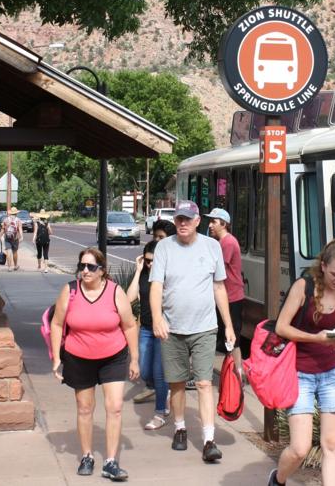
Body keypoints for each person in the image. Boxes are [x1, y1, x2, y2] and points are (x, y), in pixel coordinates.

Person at [269, 239, 335, 486]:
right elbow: (281, 326)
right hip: (298, 372)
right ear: (322, 266)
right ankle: (278, 479)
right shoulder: (304, 286)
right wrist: (316, 338)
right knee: (299, 448)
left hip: (330, 373)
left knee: (332, 445)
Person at [149, 199, 236, 462]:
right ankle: (180, 428)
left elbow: (219, 287)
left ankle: (209, 439)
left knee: (204, 382)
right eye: (179, 219)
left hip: (205, 327)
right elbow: (156, 286)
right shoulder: (164, 247)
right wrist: (156, 318)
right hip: (172, 327)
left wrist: (228, 325)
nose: (183, 223)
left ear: (198, 221)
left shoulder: (212, 247)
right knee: (176, 383)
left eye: (188, 219)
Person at [50, 248, 140, 481]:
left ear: (102, 270)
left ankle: (110, 461)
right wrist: (57, 358)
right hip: (78, 357)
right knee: (85, 408)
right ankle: (87, 456)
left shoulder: (115, 292)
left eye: (91, 267)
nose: (86, 271)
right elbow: (57, 324)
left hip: (113, 356)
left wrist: (135, 358)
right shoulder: (69, 291)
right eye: (82, 266)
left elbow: (129, 325)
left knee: (115, 407)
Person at [126, 240, 169, 429]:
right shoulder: (143, 275)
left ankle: (160, 412)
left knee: (159, 373)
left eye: (153, 261)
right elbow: (129, 298)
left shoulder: (165, 276)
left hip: (162, 331)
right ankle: (162, 391)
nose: (150, 264)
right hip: (145, 329)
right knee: (144, 369)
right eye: (147, 260)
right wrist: (138, 270)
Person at [204, 208, 245, 377]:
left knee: (231, 338)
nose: (211, 225)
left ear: (224, 224)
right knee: (224, 337)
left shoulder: (227, 243)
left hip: (231, 297)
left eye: (214, 221)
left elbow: (215, 268)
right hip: (226, 296)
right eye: (210, 221)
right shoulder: (221, 242)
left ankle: (238, 374)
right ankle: (233, 373)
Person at [1, 206, 23, 271]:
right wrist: (21, 236)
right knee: (15, 252)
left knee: (8, 252)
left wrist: (0, 236)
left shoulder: (6, 219)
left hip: (7, 237)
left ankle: (9, 267)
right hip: (15, 238)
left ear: (10, 213)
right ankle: (15, 266)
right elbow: (20, 229)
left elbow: (3, 229)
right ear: (16, 213)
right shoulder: (18, 220)